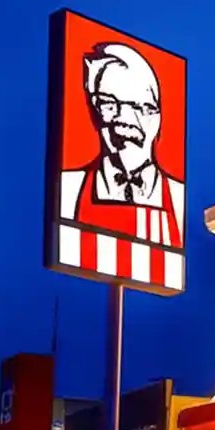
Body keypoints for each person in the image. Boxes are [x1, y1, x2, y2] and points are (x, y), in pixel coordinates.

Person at [58, 42, 184, 287]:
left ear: (157, 117)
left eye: (138, 107)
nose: (123, 119)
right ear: (95, 112)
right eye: (109, 104)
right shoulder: (70, 189)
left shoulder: (177, 198)